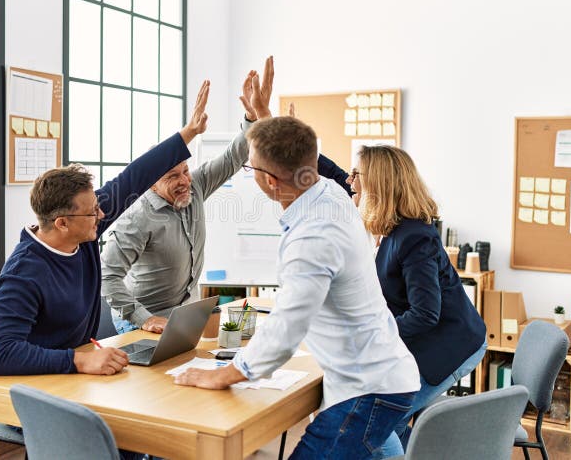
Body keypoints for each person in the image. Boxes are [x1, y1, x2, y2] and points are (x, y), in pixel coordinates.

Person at [174, 116, 420, 460]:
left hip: (368, 389)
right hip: (380, 376)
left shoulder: (312, 239)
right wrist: (265, 116)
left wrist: (225, 375)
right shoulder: (331, 194)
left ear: (270, 181)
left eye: (251, 167)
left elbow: (287, 326)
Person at [0, 81, 212, 377]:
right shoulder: (23, 273)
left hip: (79, 376)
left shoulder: (83, 228)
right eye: (93, 211)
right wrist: (77, 361)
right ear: (62, 223)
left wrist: (189, 132)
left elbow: (134, 177)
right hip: (40, 392)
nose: (102, 214)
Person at [321, 144, 487, 454]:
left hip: (449, 346)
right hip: (423, 341)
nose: (350, 182)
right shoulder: (391, 226)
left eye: (357, 175)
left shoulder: (414, 237)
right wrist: (281, 136)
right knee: (387, 426)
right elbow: (336, 175)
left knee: (371, 425)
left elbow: (425, 315)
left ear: (379, 185)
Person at [100, 59, 275, 334]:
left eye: (185, 171)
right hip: (142, 321)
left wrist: (253, 119)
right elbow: (107, 276)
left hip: (183, 316)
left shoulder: (196, 187)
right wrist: (142, 317)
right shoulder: (137, 218)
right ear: (151, 182)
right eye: (172, 176)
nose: (184, 181)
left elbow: (232, 157)